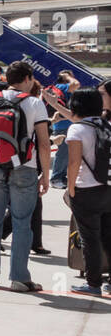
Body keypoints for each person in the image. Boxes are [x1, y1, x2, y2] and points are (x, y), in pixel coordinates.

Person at [0, 61, 50, 292]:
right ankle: (19, 277)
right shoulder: (34, 103)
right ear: (28, 78)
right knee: (21, 222)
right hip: (25, 167)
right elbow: (44, 144)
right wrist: (45, 175)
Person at [64, 88, 111, 296]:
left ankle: (93, 284)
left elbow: (74, 162)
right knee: (109, 236)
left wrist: (71, 186)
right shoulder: (107, 125)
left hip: (86, 189)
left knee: (89, 238)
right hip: (108, 187)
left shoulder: (77, 129)